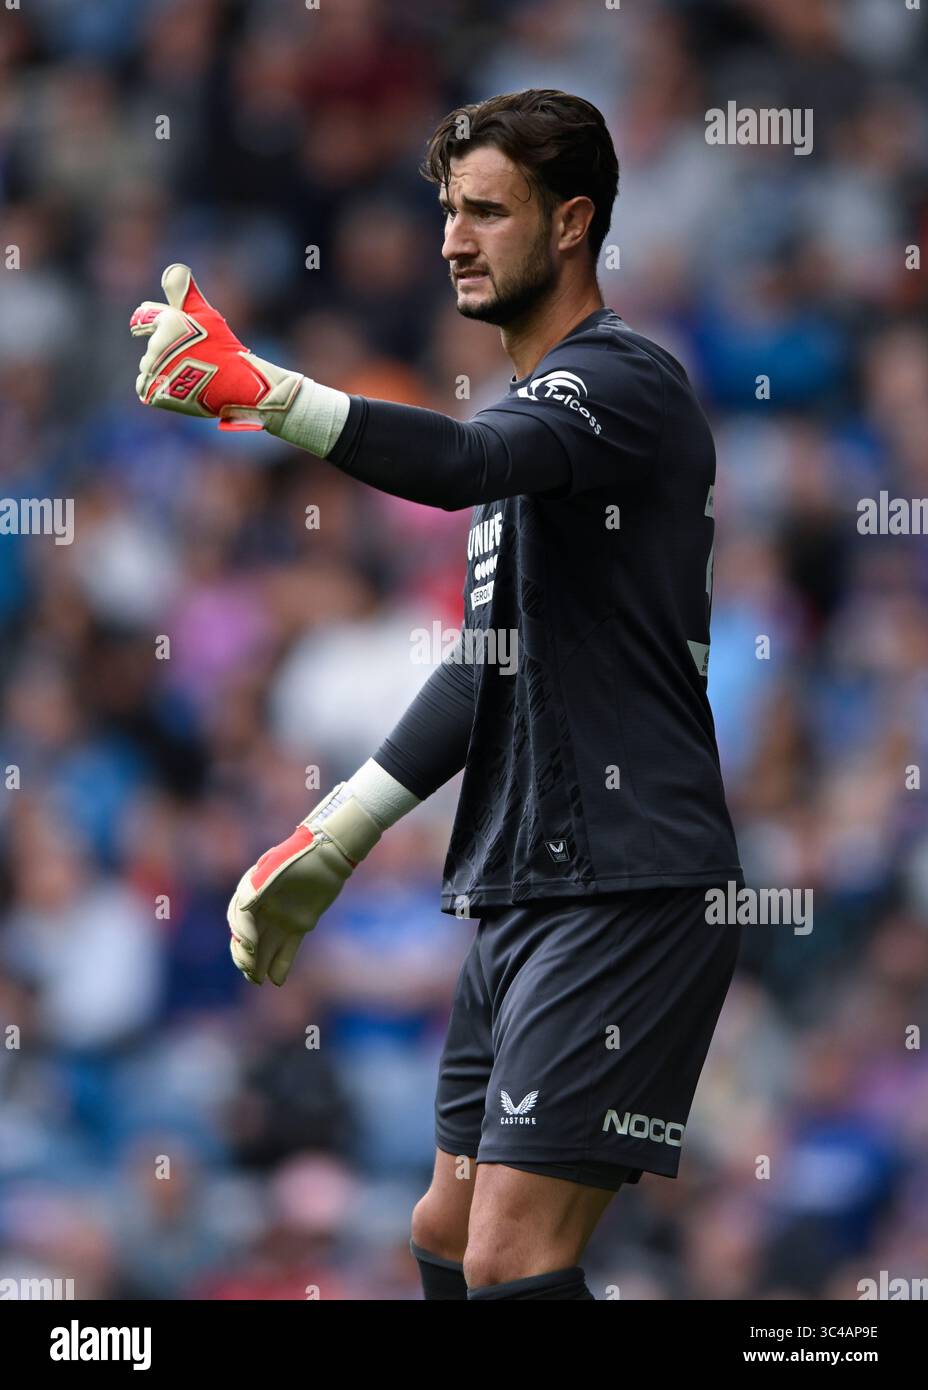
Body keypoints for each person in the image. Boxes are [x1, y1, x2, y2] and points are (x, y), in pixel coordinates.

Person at [130, 88, 744, 1302]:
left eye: (486, 211)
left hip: (625, 875)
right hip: (520, 882)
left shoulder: (621, 384)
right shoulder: (532, 427)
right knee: (448, 1238)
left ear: (572, 223)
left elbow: (460, 468)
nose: (453, 237)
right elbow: (487, 669)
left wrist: (266, 391)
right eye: (447, 210)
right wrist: (336, 830)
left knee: (515, 1256)